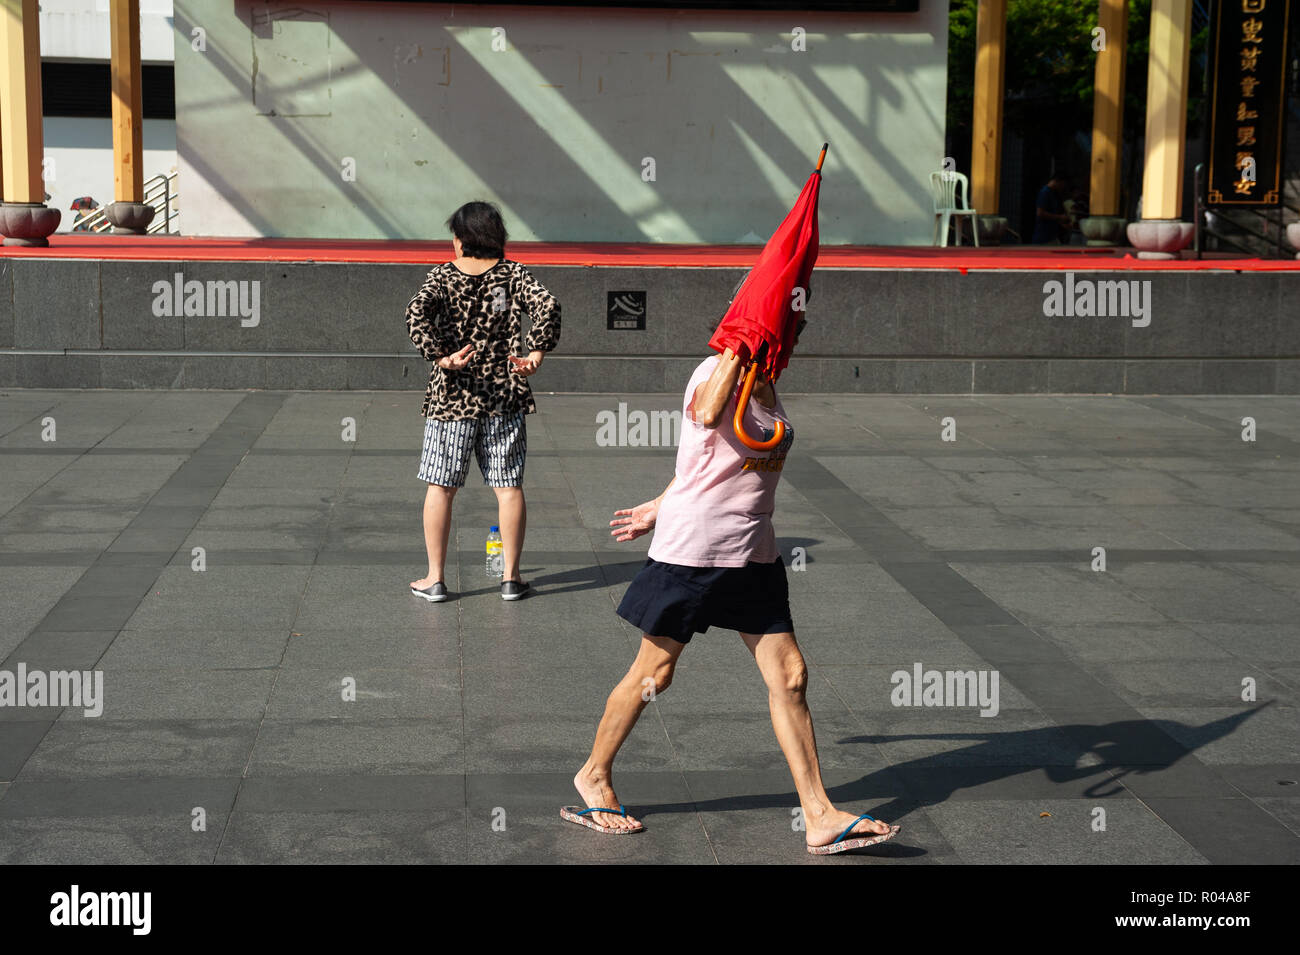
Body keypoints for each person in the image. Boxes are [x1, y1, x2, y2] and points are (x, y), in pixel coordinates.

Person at [561, 324, 900, 855]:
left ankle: (818, 815)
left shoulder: (766, 383)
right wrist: (738, 349)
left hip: (753, 552)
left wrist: (658, 502)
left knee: (790, 676)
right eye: (789, 327)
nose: (797, 336)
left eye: (799, 327)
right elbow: (704, 416)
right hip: (695, 551)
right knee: (654, 674)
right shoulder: (715, 371)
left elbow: (707, 458)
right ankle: (593, 775)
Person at [405, 201, 560, 601]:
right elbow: (548, 305)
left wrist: (442, 356)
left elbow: (415, 313)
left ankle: (435, 579)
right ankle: (511, 578)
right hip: (504, 392)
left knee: (441, 487)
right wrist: (535, 354)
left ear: (460, 239)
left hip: (452, 396)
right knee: (508, 487)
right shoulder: (513, 275)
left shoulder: (442, 276)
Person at [1031, 174, 1071, 244]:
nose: (1062, 187)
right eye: (1062, 184)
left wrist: (1061, 223)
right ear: (1057, 181)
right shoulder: (1045, 192)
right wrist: (1060, 217)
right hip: (1044, 237)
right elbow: (1040, 213)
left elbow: (1052, 213)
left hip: (1052, 236)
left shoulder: (1052, 193)